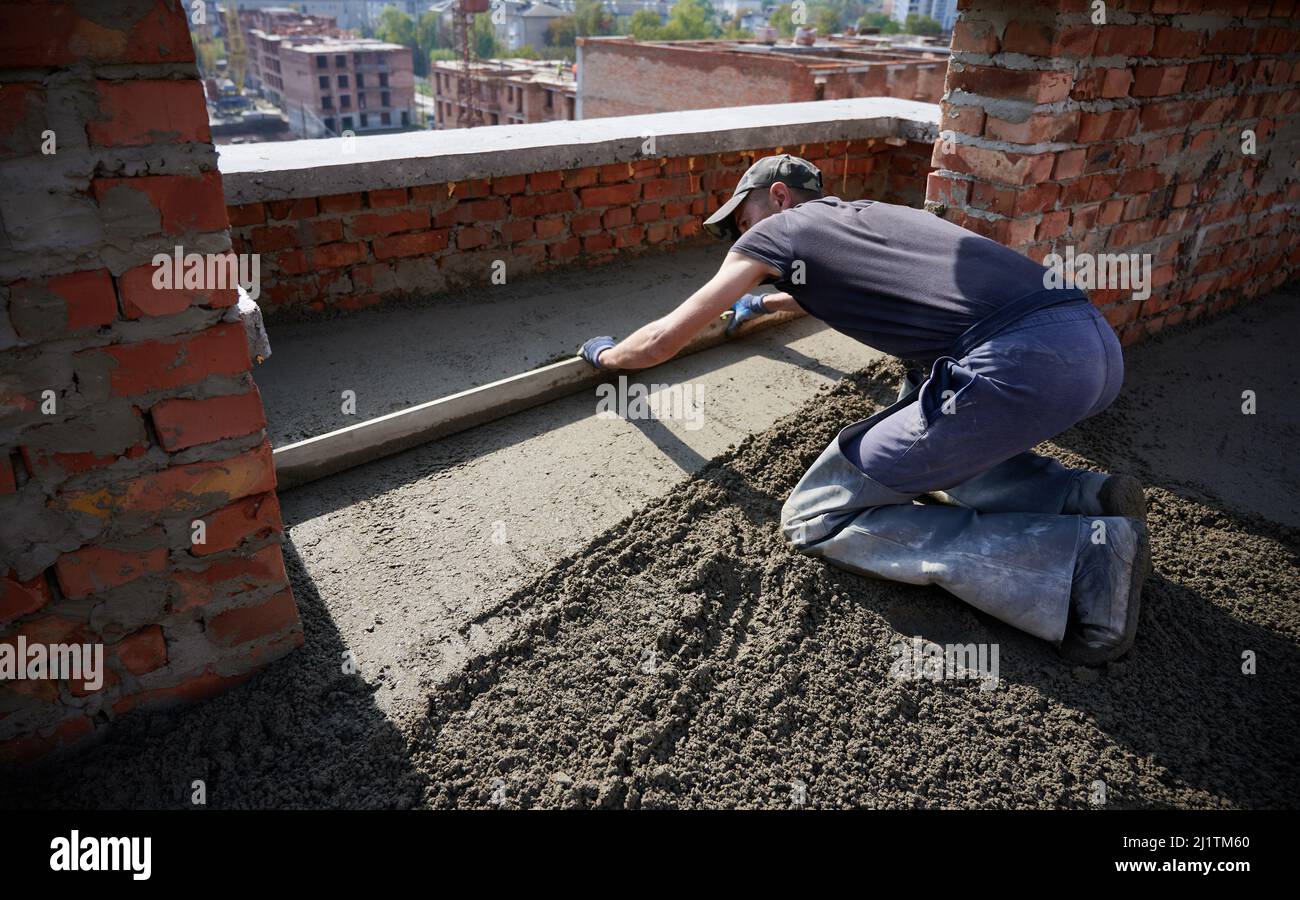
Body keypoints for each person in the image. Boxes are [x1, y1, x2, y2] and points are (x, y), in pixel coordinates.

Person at [578, 154, 1149, 665]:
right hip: (1091, 346)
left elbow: (661, 342)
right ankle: (1079, 496)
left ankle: (1079, 563)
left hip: (1018, 369)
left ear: (777, 197)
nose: (740, 232)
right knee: (923, 409)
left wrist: (607, 355)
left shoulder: (778, 229)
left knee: (815, 514)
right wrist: (764, 301)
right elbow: (831, 290)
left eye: (742, 218)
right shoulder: (874, 215)